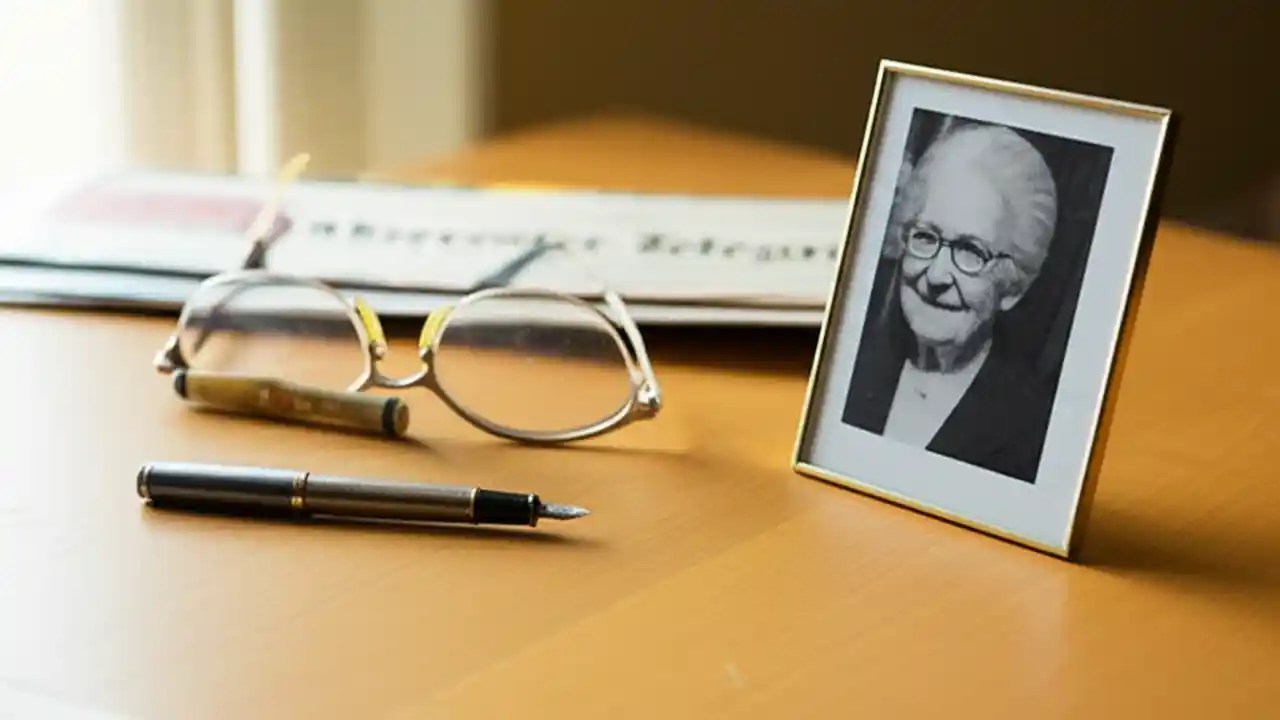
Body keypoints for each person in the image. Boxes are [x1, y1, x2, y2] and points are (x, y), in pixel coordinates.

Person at [843, 122, 1059, 483]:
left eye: (971, 251)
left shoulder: (1034, 429)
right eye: (926, 237)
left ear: (1013, 287)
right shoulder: (849, 354)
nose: (937, 276)